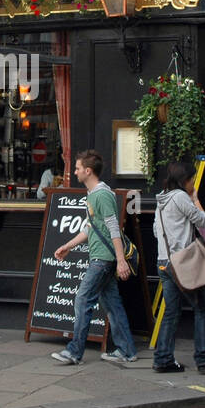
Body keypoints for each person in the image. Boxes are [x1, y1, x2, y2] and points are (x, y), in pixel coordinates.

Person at [51, 150, 137, 366]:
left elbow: (113, 228)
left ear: (88, 171)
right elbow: (91, 228)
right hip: (103, 257)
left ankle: (74, 351)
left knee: (82, 298)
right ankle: (126, 350)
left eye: (78, 168)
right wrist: (67, 246)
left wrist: (120, 260)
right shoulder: (94, 195)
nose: (75, 171)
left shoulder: (101, 195)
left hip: (103, 259)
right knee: (112, 304)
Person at [152, 161, 205, 374]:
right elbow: (202, 221)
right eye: (192, 180)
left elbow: (156, 232)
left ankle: (163, 358)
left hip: (164, 262)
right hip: (182, 264)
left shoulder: (162, 199)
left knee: (171, 312)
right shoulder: (181, 198)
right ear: (184, 180)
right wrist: (195, 199)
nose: (194, 183)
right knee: (203, 308)